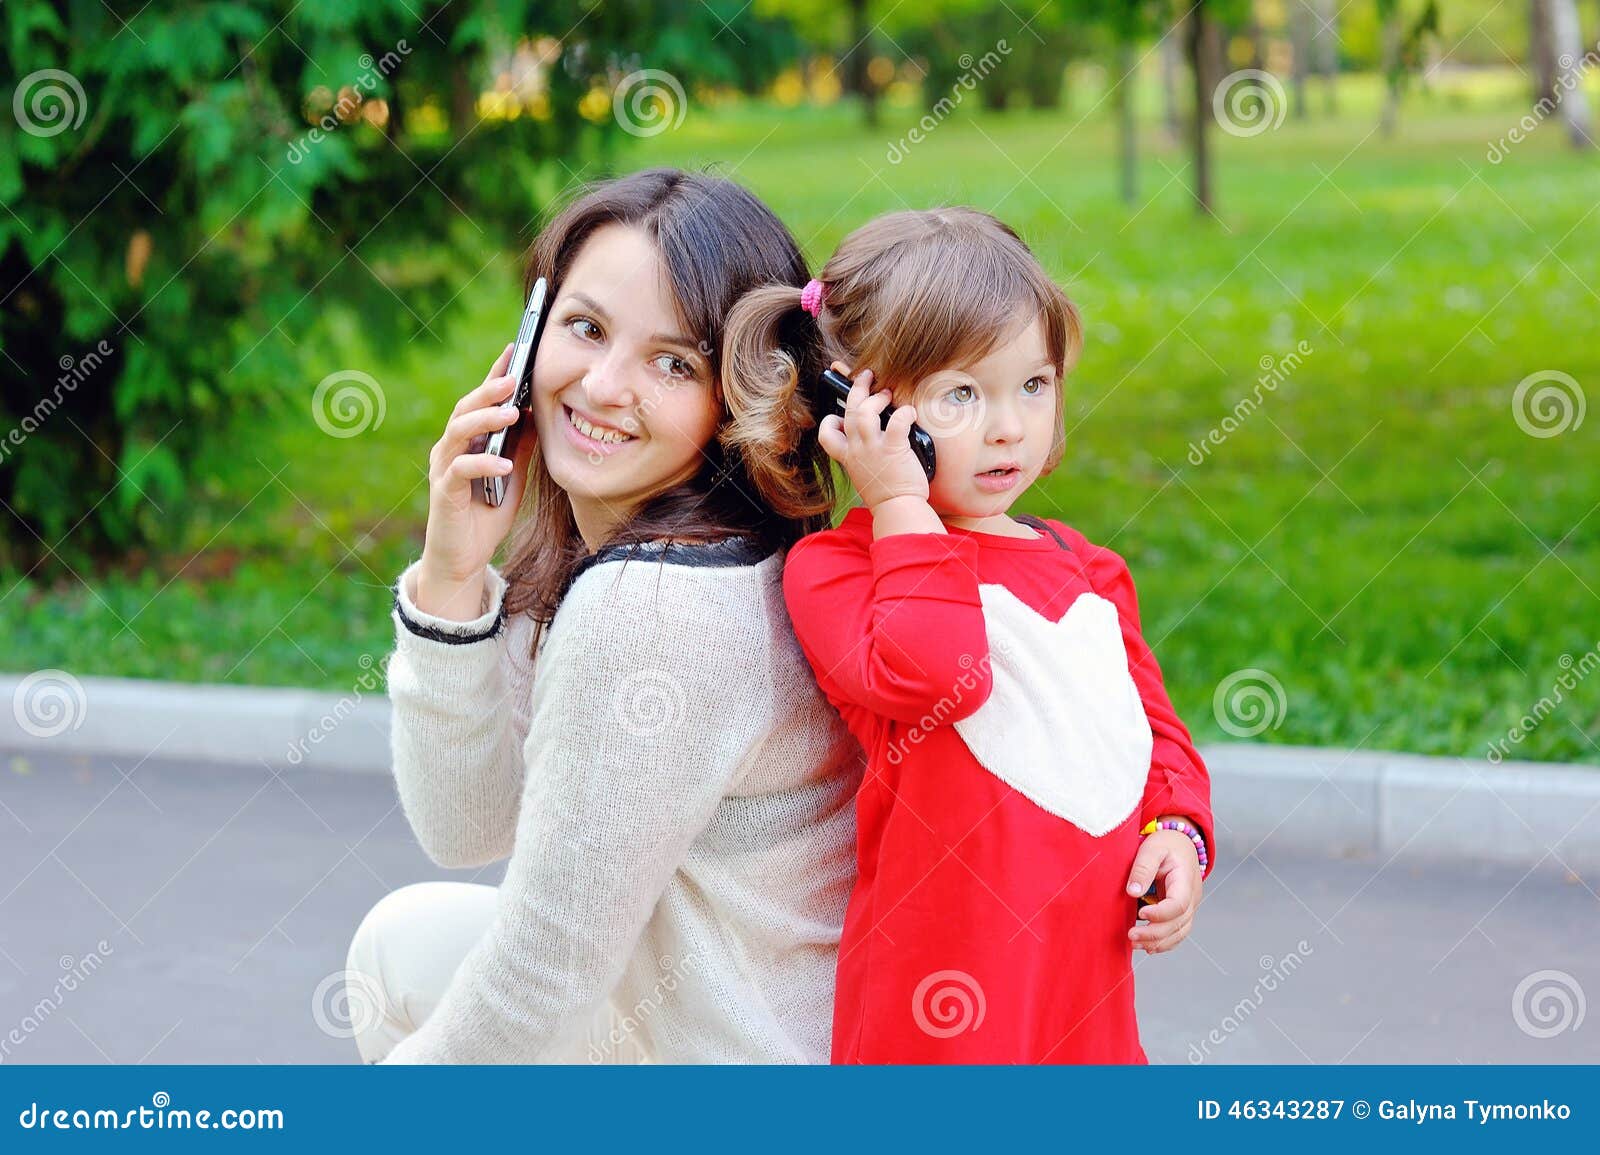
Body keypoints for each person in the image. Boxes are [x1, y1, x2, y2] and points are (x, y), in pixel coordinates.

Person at [344, 168, 862, 1064]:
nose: (604, 385)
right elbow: (465, 825)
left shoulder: (652, 608)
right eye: (585, 328)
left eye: (672, 362)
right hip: (727, 1021)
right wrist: (452, 575)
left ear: (739, 397)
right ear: (531, 331)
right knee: (400, 942)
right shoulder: (697, 545)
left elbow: (544, 978)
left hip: (725, 1064)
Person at [720, 206, 1216, 1063]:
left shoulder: (1089, 573)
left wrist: (1180, 830)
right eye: (962, 395)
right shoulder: (839, 570)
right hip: (935, 1023)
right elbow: (937, 670)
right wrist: (901, 507)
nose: (1009, 427)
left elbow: (1154, 737)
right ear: (858, 405)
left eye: (1034, 384)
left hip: (1083, 1010)